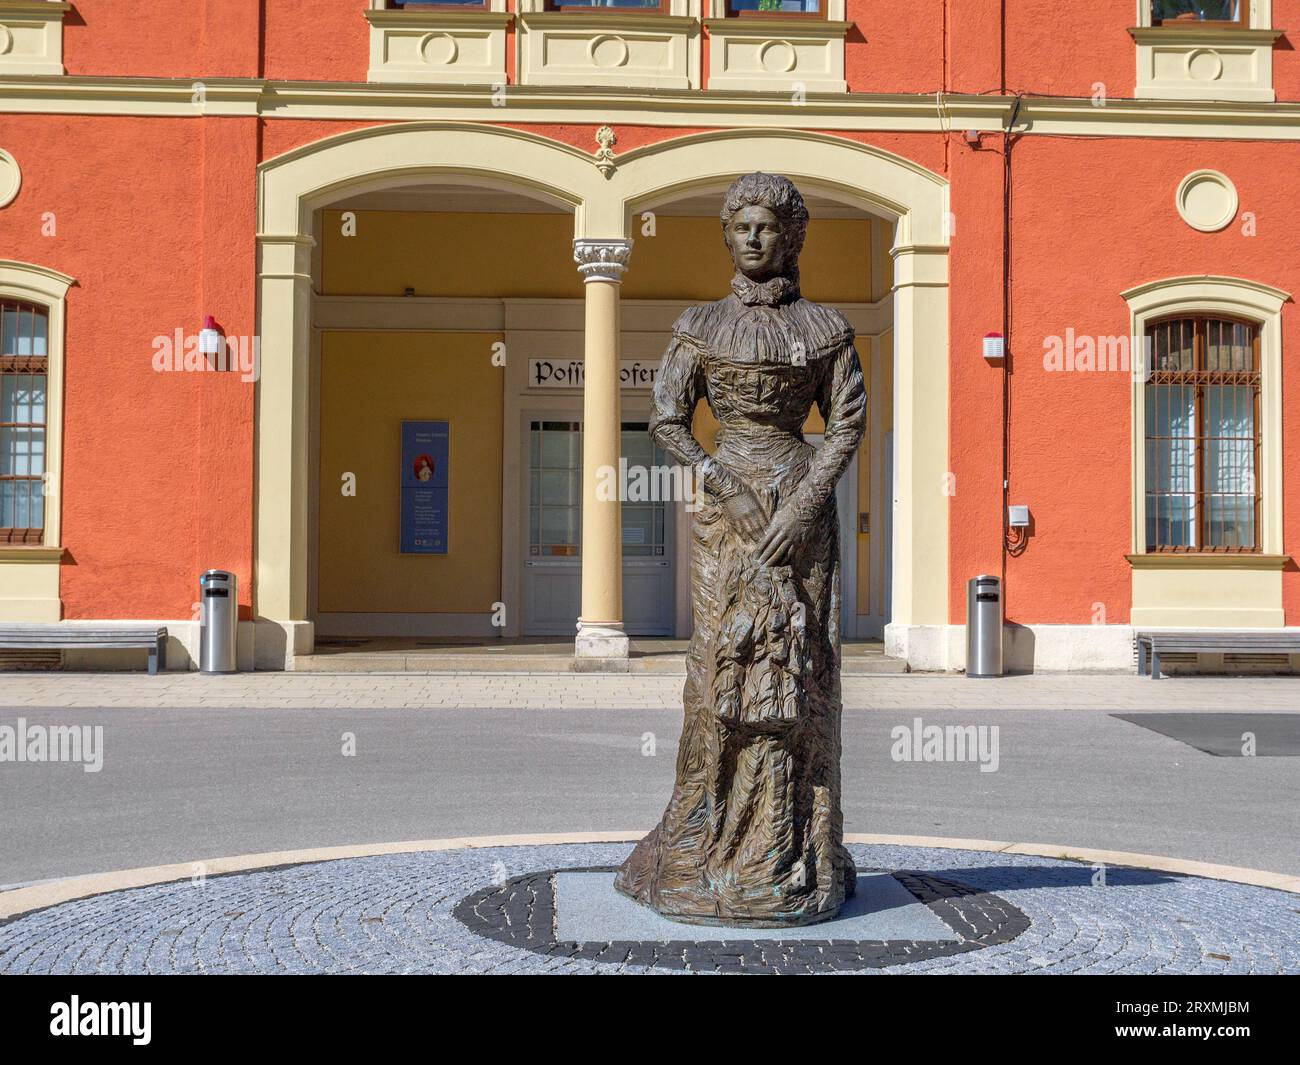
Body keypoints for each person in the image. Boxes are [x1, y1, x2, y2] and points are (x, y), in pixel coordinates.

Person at [615, 173, 867, 925]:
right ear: (727, 234)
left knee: (802, 666)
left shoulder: (825, 327)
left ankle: (797, 853)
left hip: (802, 512)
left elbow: (846, 422)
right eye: (743, 227)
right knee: (721, 664)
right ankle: (702, 845)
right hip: (729, 519)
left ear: (791, 237)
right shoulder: (699, 325)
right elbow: (665, 418)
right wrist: (722, 481)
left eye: (769, 228)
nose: (755, 238)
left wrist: (805, 504)